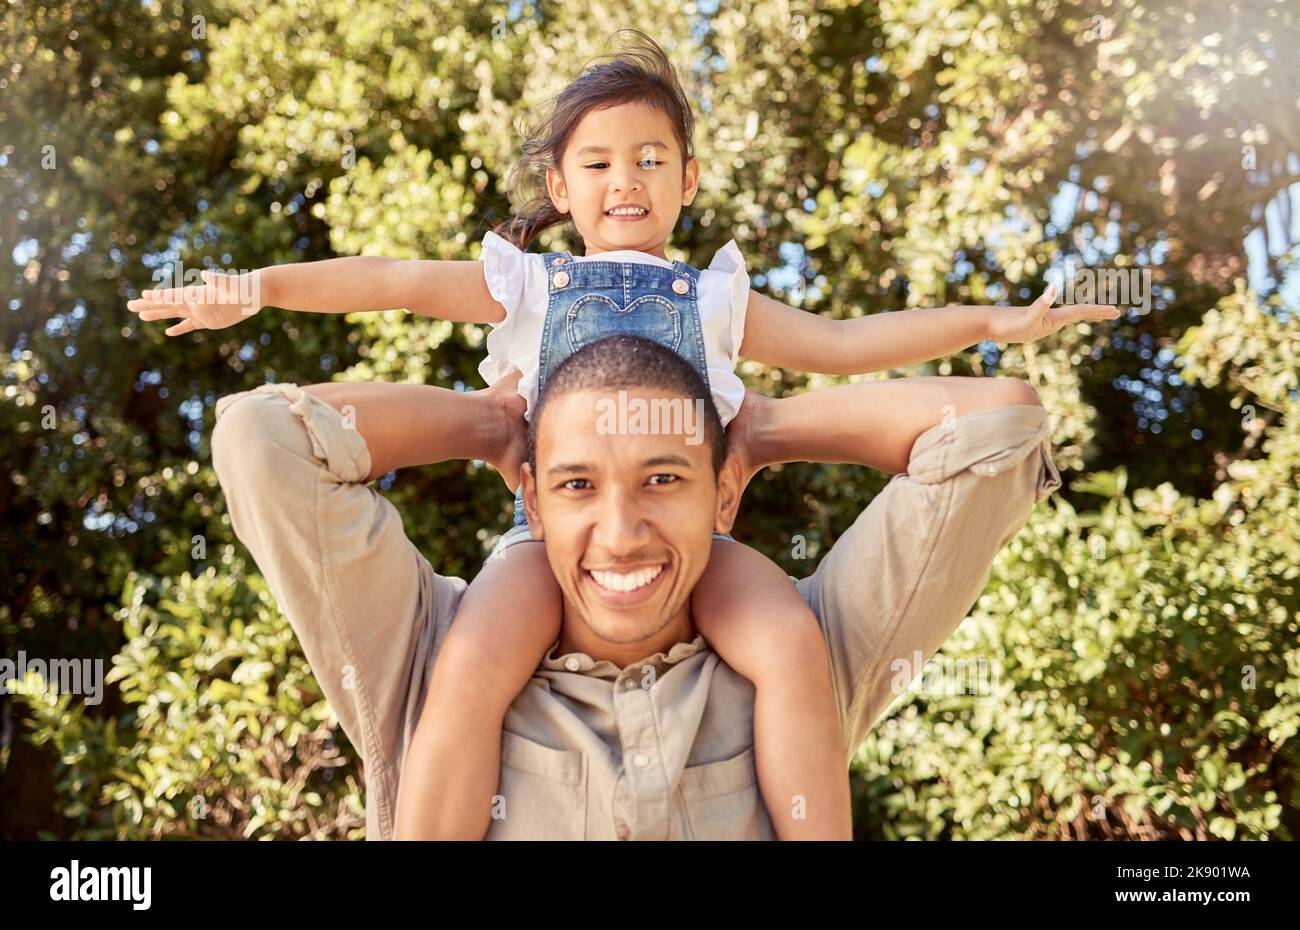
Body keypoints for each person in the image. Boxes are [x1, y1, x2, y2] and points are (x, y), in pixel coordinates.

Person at [130, 30, 1116, 839]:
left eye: (651, 159)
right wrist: (256, 291)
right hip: (541, 553)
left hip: (701, 548)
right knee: (471, 666)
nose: (626, 180)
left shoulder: (719, 298)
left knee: (785, 644)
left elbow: (850, 342)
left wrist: (994, 324)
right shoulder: (526, 285)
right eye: (597, 163)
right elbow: (386, 278)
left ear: (688, 177)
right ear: (560, 187)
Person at [210, 333, 1065, 839]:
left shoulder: (811, 650)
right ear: (533, 500)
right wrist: (487, 424)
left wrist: (761, 429)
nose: (620, 534)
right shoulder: (424, 652)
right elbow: (261, 438)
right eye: (577, 485)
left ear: (723, 494)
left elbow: (996, 430)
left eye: (665, 479)